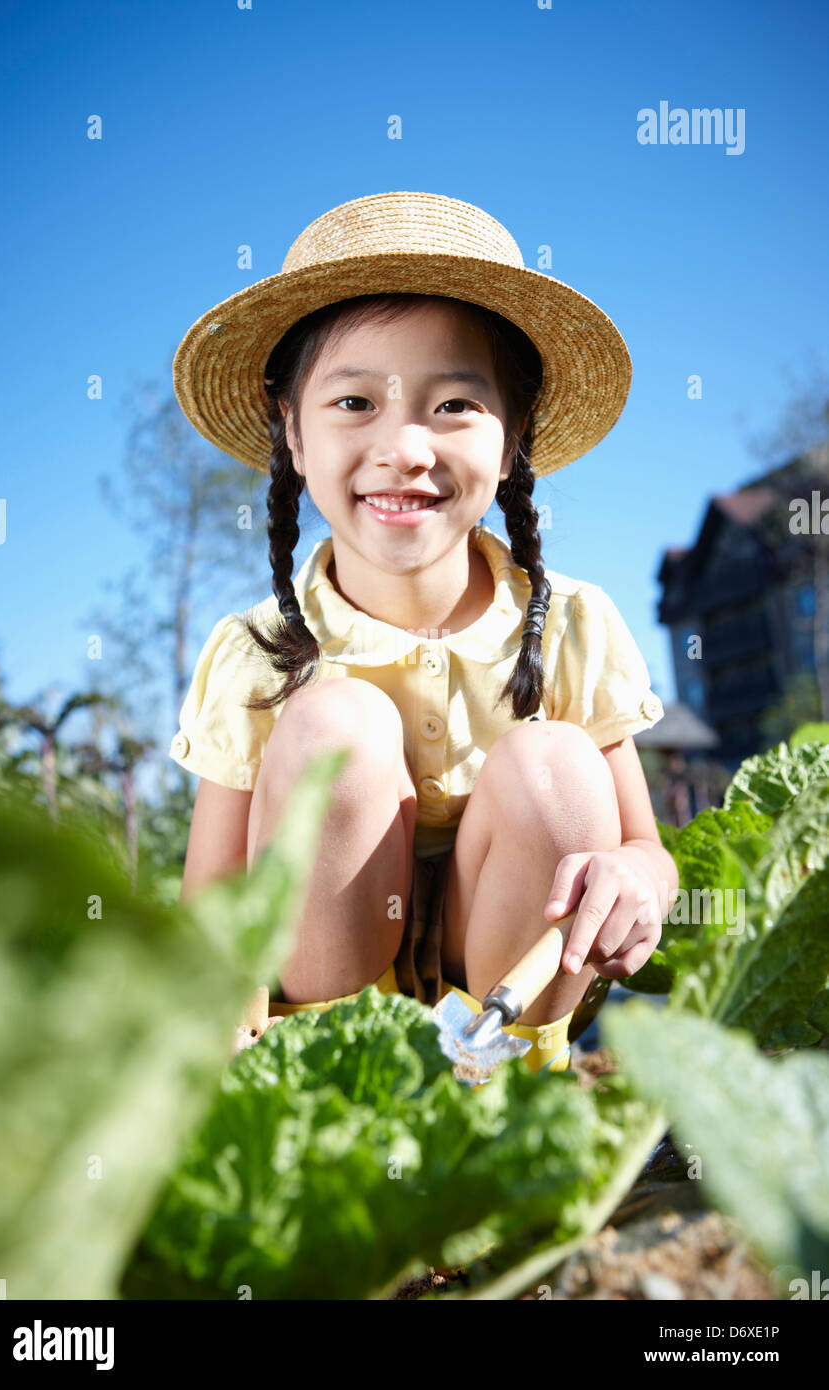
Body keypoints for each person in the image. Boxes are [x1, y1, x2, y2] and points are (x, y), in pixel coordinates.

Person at [169, 191, 679, 1075]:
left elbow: (645, 851)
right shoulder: (254, 651)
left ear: (514, 432)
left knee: (555, 765)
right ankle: (331, 1079)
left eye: (452, 406)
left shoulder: (569, 624)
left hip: (504, 988)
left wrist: (641, 882)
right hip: (322, 1011)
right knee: (336, 725)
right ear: (291, 429)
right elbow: (212, 899)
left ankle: (506, 1072)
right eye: (355, 401)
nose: (405, 446)